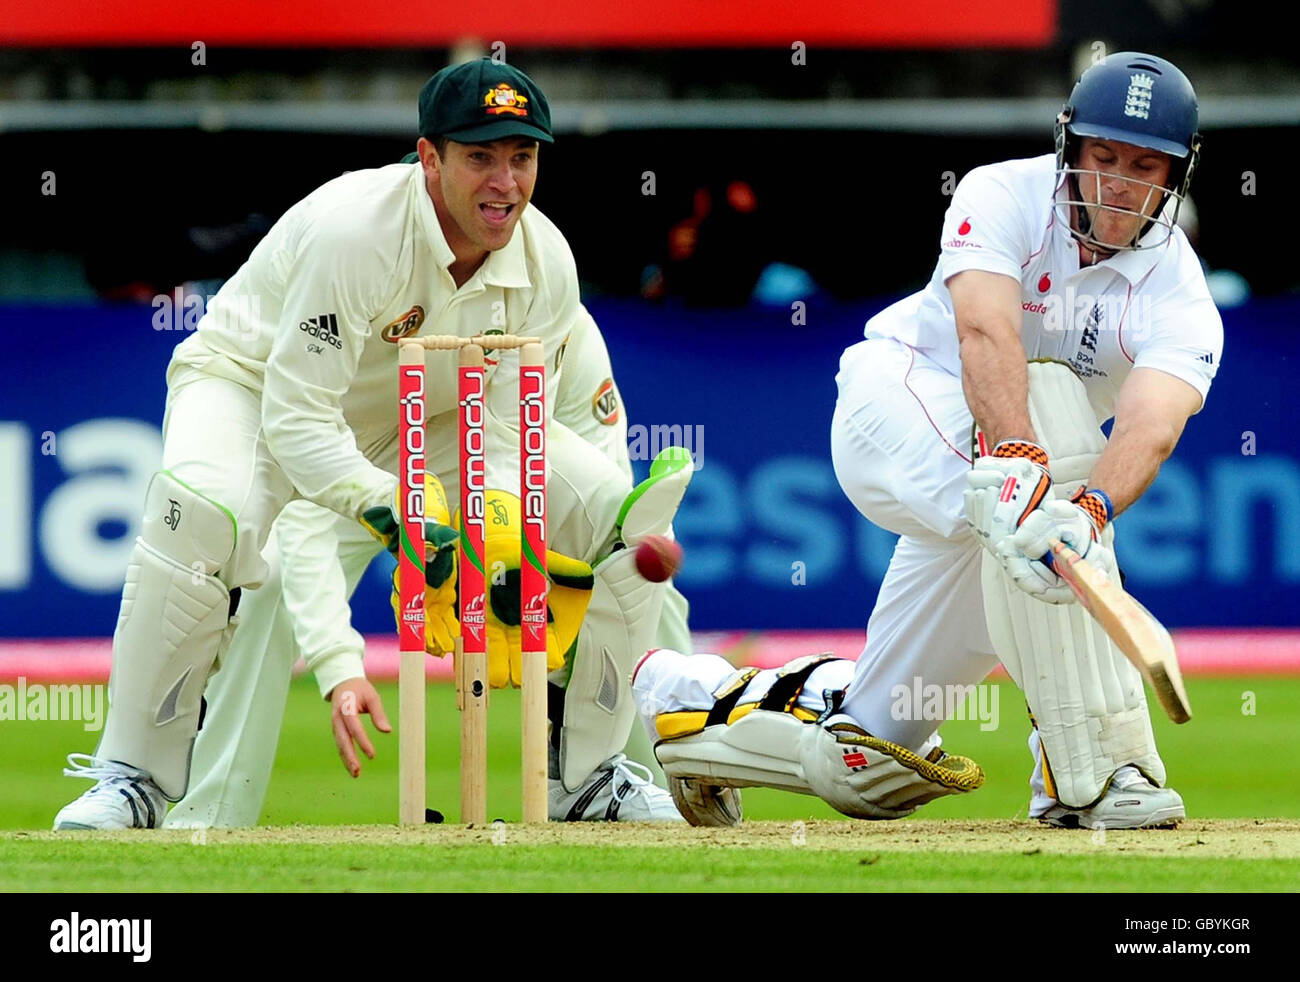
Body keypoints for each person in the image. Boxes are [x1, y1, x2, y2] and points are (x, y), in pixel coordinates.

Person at [54, 58, 684, 829]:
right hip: (253, 389)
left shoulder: (547, 263)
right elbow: (297, 421)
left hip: (428, 418)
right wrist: (398, 511)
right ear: (430, 158)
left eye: (522, 158)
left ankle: (584, 780)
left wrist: (492, 535)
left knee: (626, 525)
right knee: (203, 516)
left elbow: (508, 423)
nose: (505, 182)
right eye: (480, 156)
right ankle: (131, 780)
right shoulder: (358, 231)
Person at [639, 52, 1221, 830]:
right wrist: (1019, 462)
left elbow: (1153, 421)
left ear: (1177, 173)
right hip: (900, 410)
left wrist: (1092, 511)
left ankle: (693, 714)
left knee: (870, 760)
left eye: (1144, 165)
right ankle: (1097, 771)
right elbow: (985, 332)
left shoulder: (1180, 294)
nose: (1119, 181)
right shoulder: (1000, 193)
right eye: (1104, 157)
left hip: (1004, 493)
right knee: (1033, 484)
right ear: (1071, 149)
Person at [163, 305, 692, 826]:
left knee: (638, 564)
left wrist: (519, 589)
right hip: (370, 472)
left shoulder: (563, 324)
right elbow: (308, 516)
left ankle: (644, 777)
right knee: (269, 580)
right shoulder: (379, 302)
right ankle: (209, 818)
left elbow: (601, 497)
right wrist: (339, 665)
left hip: (507, 480)